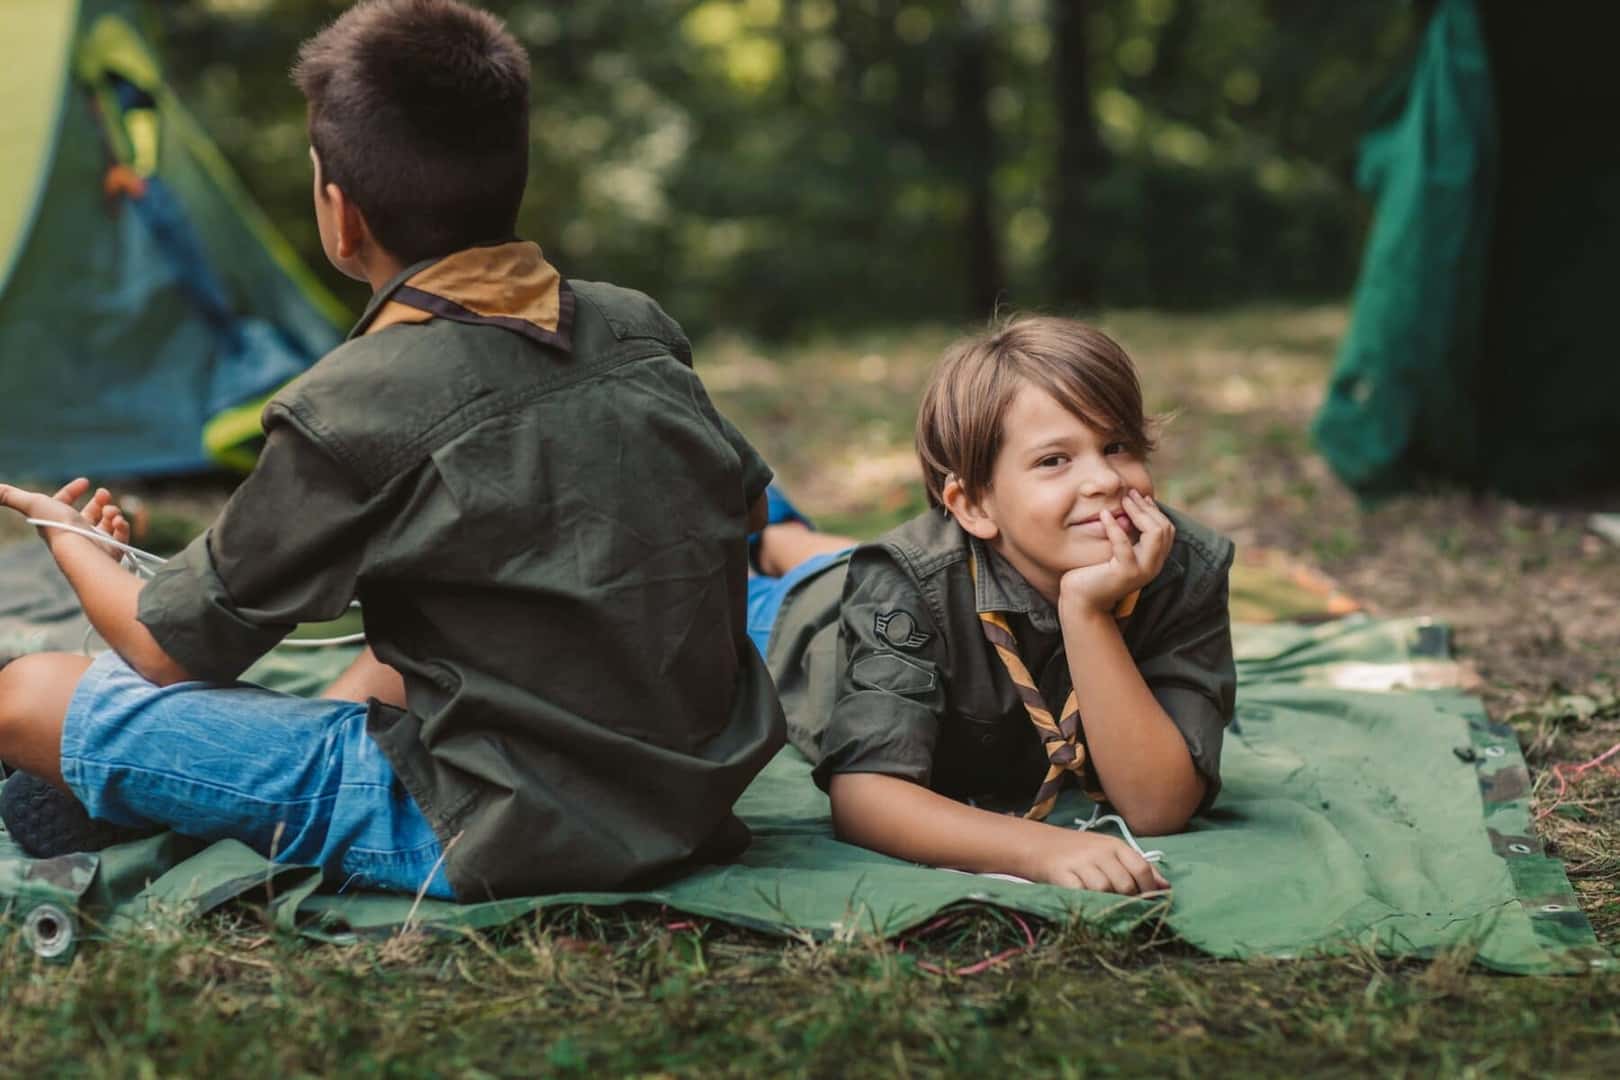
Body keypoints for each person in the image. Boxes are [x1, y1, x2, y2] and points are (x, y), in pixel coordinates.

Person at [0, 0, 783, 902]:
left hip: (489, 823)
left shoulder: (354, 403)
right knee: (391, 650)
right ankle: (189, 781)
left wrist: (75, 545)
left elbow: (167, 649)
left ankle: (175, 787)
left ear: (341, 213)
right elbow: (740, 510)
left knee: (29, 695)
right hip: (690, 790)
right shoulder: (636, 327)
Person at [750, 317, 1235, 896]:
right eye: (1055, 460)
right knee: (734, 560)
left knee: (845, 554)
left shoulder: (1185, 565)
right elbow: (864, 796)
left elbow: (1158, 808)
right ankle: (761, 520)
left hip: (944, 561)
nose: (1104, 479)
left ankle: (780, 535)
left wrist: (1085, 613)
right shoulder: (902, 579)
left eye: (1117, 446)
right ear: (974, 504)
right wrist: (1043, 849)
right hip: (795, 618)